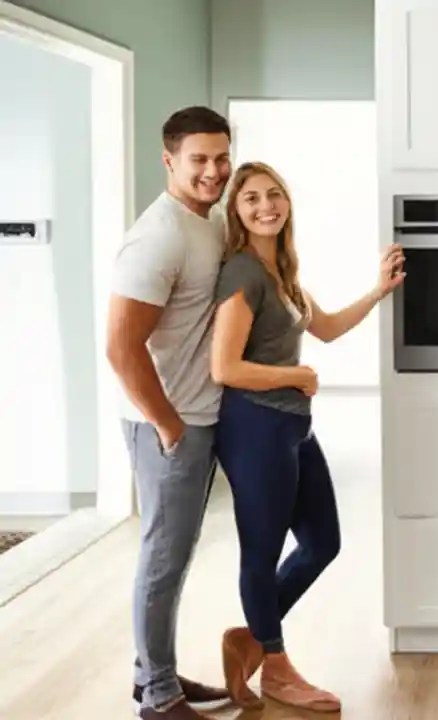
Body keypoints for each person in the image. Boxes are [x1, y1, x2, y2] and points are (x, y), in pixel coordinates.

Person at [211, 161, 404, 712]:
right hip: (254, 427)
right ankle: (275, 665)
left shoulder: (283, 273)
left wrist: (378, 291)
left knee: (323, 542)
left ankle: (250, 637)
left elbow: (327, 327)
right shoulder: (243, 274)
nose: (266, 205)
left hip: (292, 427)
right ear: (237, 212)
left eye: (274, 195)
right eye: (251, 199)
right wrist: (296, 376)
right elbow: (225, 367)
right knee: (262, 549)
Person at [105, 106, 235, 719]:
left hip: (194, 415)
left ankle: (153, 673)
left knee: (176, 555)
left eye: (221, 157)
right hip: (167, 422)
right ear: (169, 160)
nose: (214, 171)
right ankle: (158, 697)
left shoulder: (205, 223)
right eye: (199, 160)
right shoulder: (158, 234)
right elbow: (121, 346)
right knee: (163, 556)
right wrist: (169, 425)